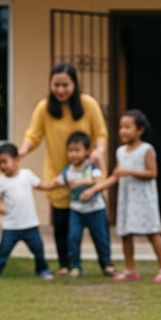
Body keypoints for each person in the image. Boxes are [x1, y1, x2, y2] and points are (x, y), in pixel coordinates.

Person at [19, 63, 109, 276]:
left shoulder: (88, 104)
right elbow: (34, 134)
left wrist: (99, 151)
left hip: (87, 175)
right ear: (50, 85)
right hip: (59, 174)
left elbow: (101, 133)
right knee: (62, 225)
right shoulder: (44, 108)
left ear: (75, 84)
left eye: (65, 85)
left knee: (98, 224)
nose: (60, 90)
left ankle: (106, 263)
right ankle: (66, 264)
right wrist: (22, 151)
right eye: (56, 85)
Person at [83, 110, 161, 284]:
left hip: (144, 201)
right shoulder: (120, 152)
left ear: (139, 130)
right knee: (126, 234)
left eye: (127, 127)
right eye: (121, 127)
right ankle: (130, 269)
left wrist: (129, 172)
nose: (123, 131)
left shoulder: (147, 149)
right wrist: (94, 190)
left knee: (152, 233)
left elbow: (152, 173)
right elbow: (115, 176)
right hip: (126, 201)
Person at [42, 131, 114, 278]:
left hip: (95, 210)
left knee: (101, 238)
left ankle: (106, 264)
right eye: (70, 150)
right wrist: (38, 185)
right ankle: (75, 266)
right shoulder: (68, 171)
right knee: (73, 238)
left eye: (77, 150)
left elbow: (98, 181)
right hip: (76, 211)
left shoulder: (91, 167)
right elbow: (56, 182)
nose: (73, 154)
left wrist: (82, 182)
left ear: (87, 151)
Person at [0, 143, 55, 280]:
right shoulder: (0, 181)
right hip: (11, 226)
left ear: (17, 160)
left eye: (5, 162)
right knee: (3, 250)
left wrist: (57, 183)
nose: (2, 166)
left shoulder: (27, 175)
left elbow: (41, 185)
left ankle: (42, 269)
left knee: (38, 249)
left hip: (30, 224)